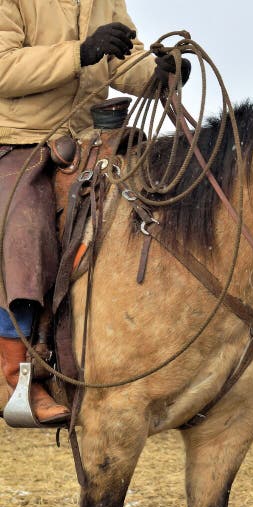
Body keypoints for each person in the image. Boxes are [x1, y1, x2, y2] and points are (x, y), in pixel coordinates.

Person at [0, 1, 190, 423]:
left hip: (90, 136)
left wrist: (161, 74)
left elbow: (125, 55)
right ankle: (15, 376)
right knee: (23, 230)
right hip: (19, 138)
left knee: (163, 194)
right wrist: (77, 54)